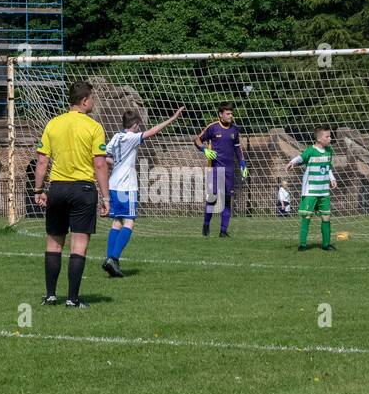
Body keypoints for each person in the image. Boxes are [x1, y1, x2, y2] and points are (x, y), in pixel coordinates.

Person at [32, 81, 109, 308]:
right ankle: (73, 299)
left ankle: (50, 295)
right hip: (83, 189)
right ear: (84, 101)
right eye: (92, 98)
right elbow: (100, 164)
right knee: (78, 245)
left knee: (54, 243)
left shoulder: (53, 124)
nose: (93, 101)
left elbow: (42, 161)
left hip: (57, 188)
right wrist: (106, 197)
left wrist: (38, 190)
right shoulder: (94, 127)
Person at [102, 105, 185, 277]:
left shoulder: (116, 137)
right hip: (126, 186)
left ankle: (109, 259)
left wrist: (117, 163)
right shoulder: (132, 137)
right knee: (129, 222)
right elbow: (153, 131)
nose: (139, 129)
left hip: (113, 184)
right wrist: (172, 118)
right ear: (134, 126)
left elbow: (104, 157)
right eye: (138, 126)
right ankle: (114, 259)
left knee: (117, 221)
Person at [194, 103, 246, 237]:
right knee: (212, 199)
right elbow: (197, 140)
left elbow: (237, 148)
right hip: (215, 169)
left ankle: (223, 231)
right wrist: (204, 149)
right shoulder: (213, 127)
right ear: (220, 114)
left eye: (231, 113)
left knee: (227, 200)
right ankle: (206, 225)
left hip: (229, 170)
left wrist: (242, 163)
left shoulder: (234, 129)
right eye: (228, 113)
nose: (230, 116)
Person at [287, 127, 337, 251]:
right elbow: (301, 158)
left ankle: (326, 244)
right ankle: (302, 245)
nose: (330, 138)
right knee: (307, 217)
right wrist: (292, 162)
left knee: (326, 217)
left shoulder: (329, 151)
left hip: (324, 191)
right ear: (319, 139)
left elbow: (328, 168)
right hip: (310, 191)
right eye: (327, 136)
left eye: (330, 136)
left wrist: (332, 179)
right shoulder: (311, 151)